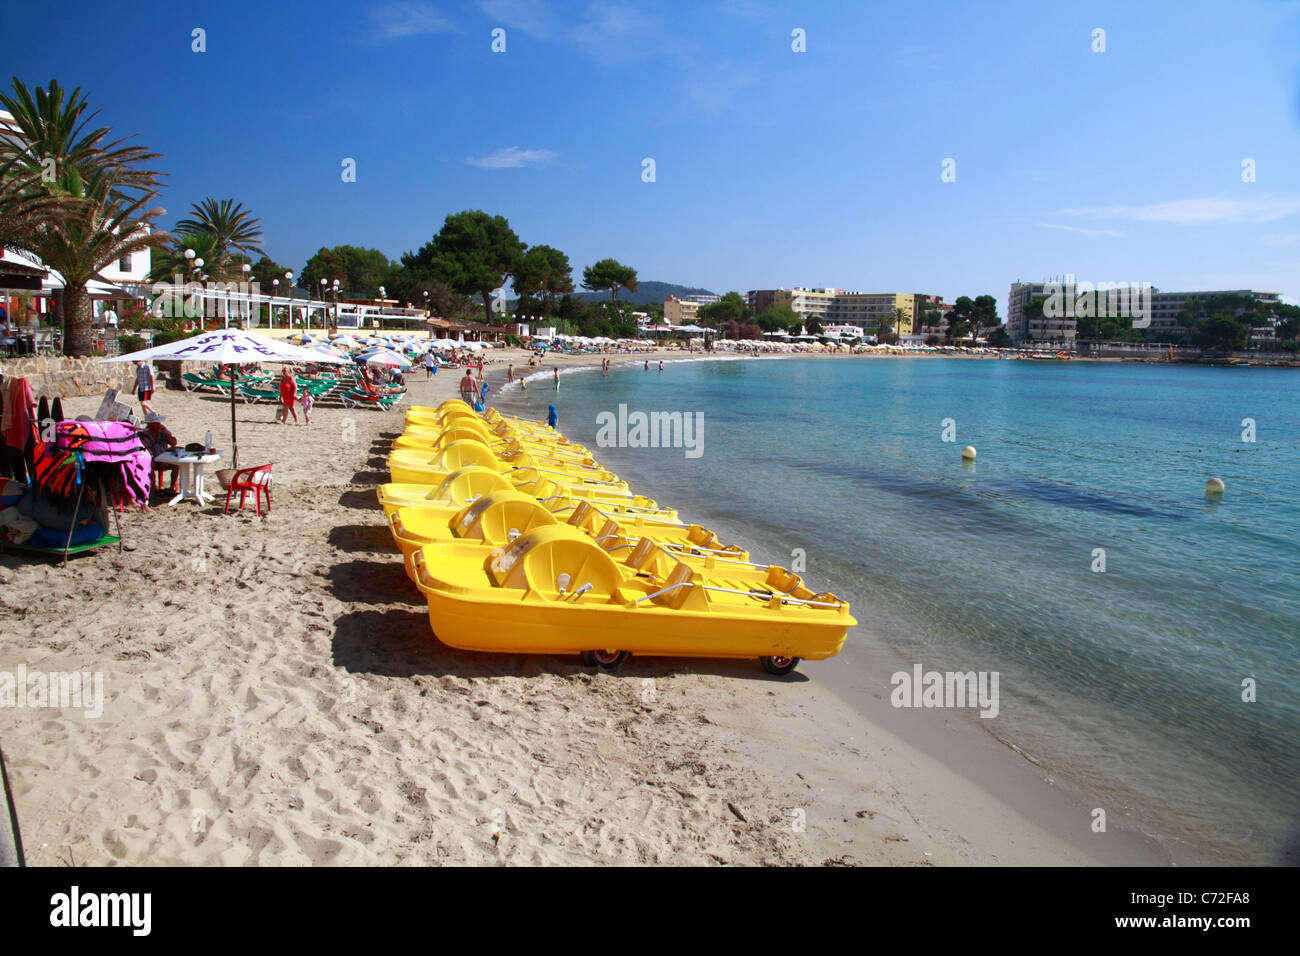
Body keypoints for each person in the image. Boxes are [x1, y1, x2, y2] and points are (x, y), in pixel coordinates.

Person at [140, 412, 179, 494]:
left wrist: (166, 434)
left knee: (176, 464)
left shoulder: (163, 432)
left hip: (164, 459)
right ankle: (153, 488)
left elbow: (173, 443)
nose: (158, 425)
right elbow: (143, 448)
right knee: (150, 464)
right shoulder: (143, 435)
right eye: (156, 423)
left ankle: (172, 488)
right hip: (153, 460)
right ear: (150, 424)